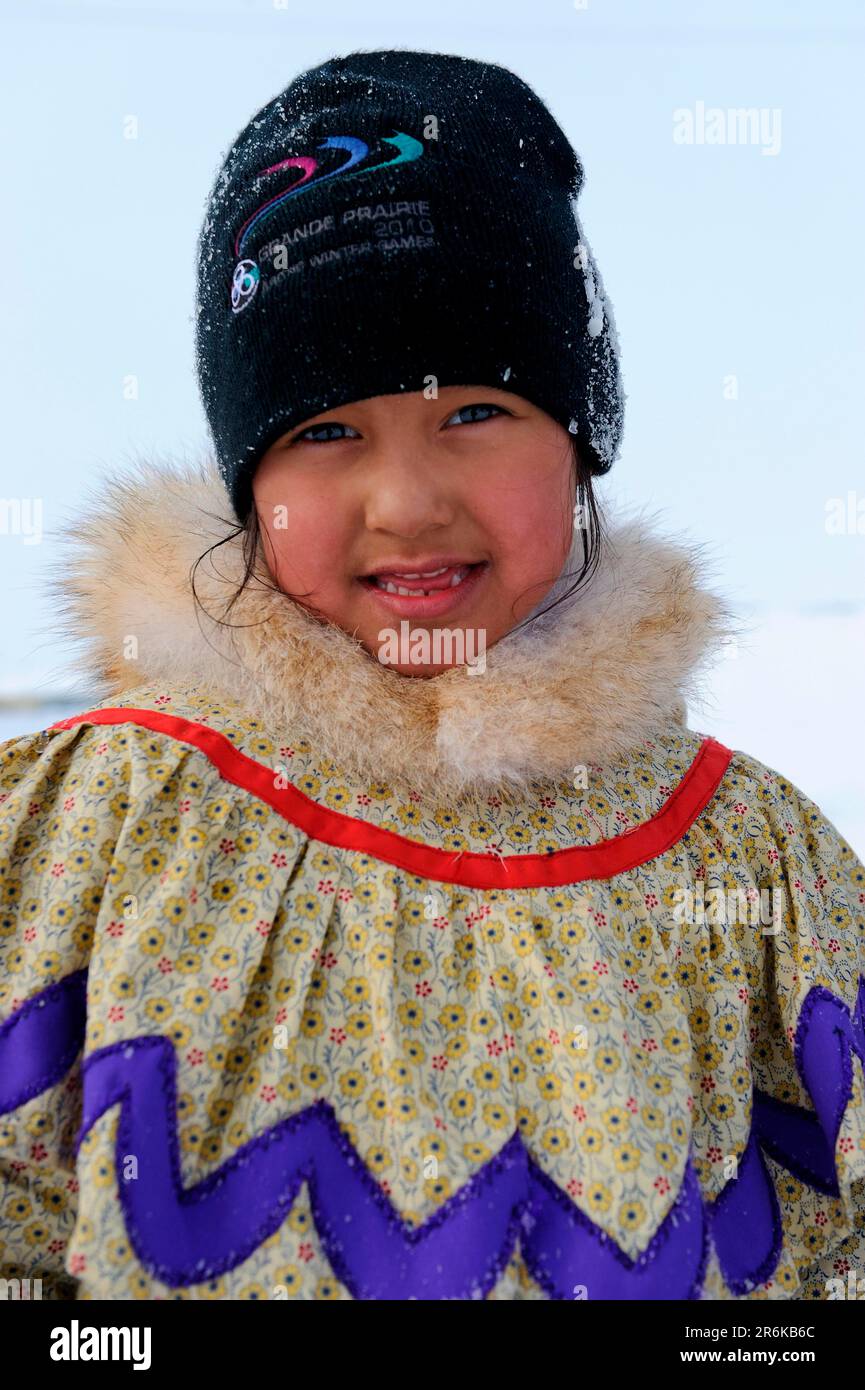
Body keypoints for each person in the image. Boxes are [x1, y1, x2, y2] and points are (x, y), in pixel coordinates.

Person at [1, 48, 863, 1302]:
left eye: (474, 412)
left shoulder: (748, 862)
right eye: (326, 432)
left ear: (579, 444)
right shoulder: (102, 822)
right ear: (249, 488)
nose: (405, 502)